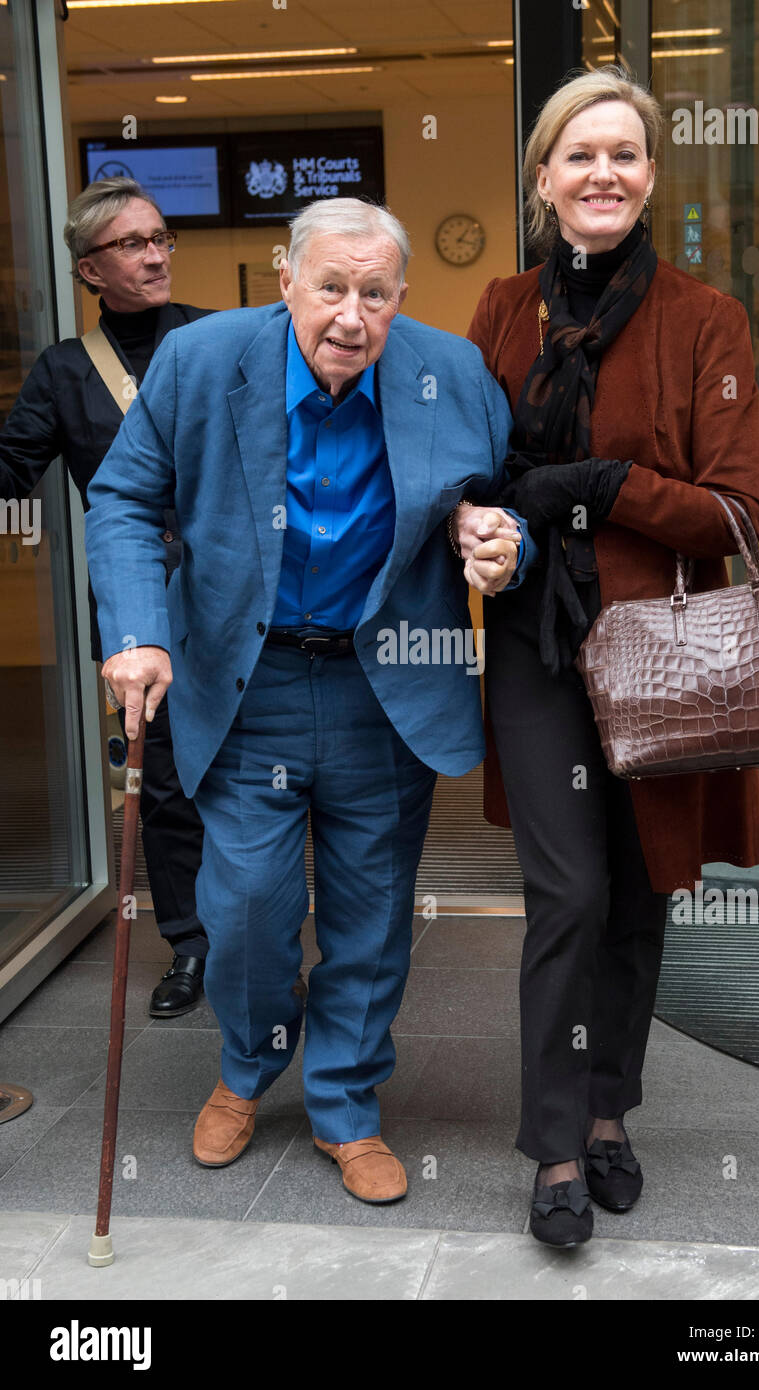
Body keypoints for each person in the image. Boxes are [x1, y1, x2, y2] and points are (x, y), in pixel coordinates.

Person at [84, 197, 535, 1204]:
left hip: (384, 683)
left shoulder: (448, 374)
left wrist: (503, 541)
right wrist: (136, 631)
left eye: (374, 292)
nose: (350, 314)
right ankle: (248, 1066)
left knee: (371, 915)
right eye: (329, 286)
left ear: (400, 297)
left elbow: (513, 497)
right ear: (284, 278)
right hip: (251, 683)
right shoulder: (203, 363)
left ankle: (342, 1101)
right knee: (243, 907)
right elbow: (120, 498)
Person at [465, 66, 759, 1248]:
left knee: (640, 887)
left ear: (649, 177)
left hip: (665, 652)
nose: (602, 174)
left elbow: (736, 513)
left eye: (624, 155)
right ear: (543, 178)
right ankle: (551, 1142)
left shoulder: (705, 317)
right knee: (568, 893)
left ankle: (606, 1114)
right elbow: (474, 472)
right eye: (578, 154)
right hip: (540, 643)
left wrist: (599, 485)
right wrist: (477, 518)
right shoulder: (501, 307)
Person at [0, 177, 212, 1018]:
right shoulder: (62, 372)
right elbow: (11, 470)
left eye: (161, 238)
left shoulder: (216, 336)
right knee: (158, 780)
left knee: (247, 770)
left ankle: (257, 943)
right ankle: (190, 945)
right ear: (91, 269)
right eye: (133, 244)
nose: (156, 254)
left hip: (232, 596)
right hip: (134, 606)